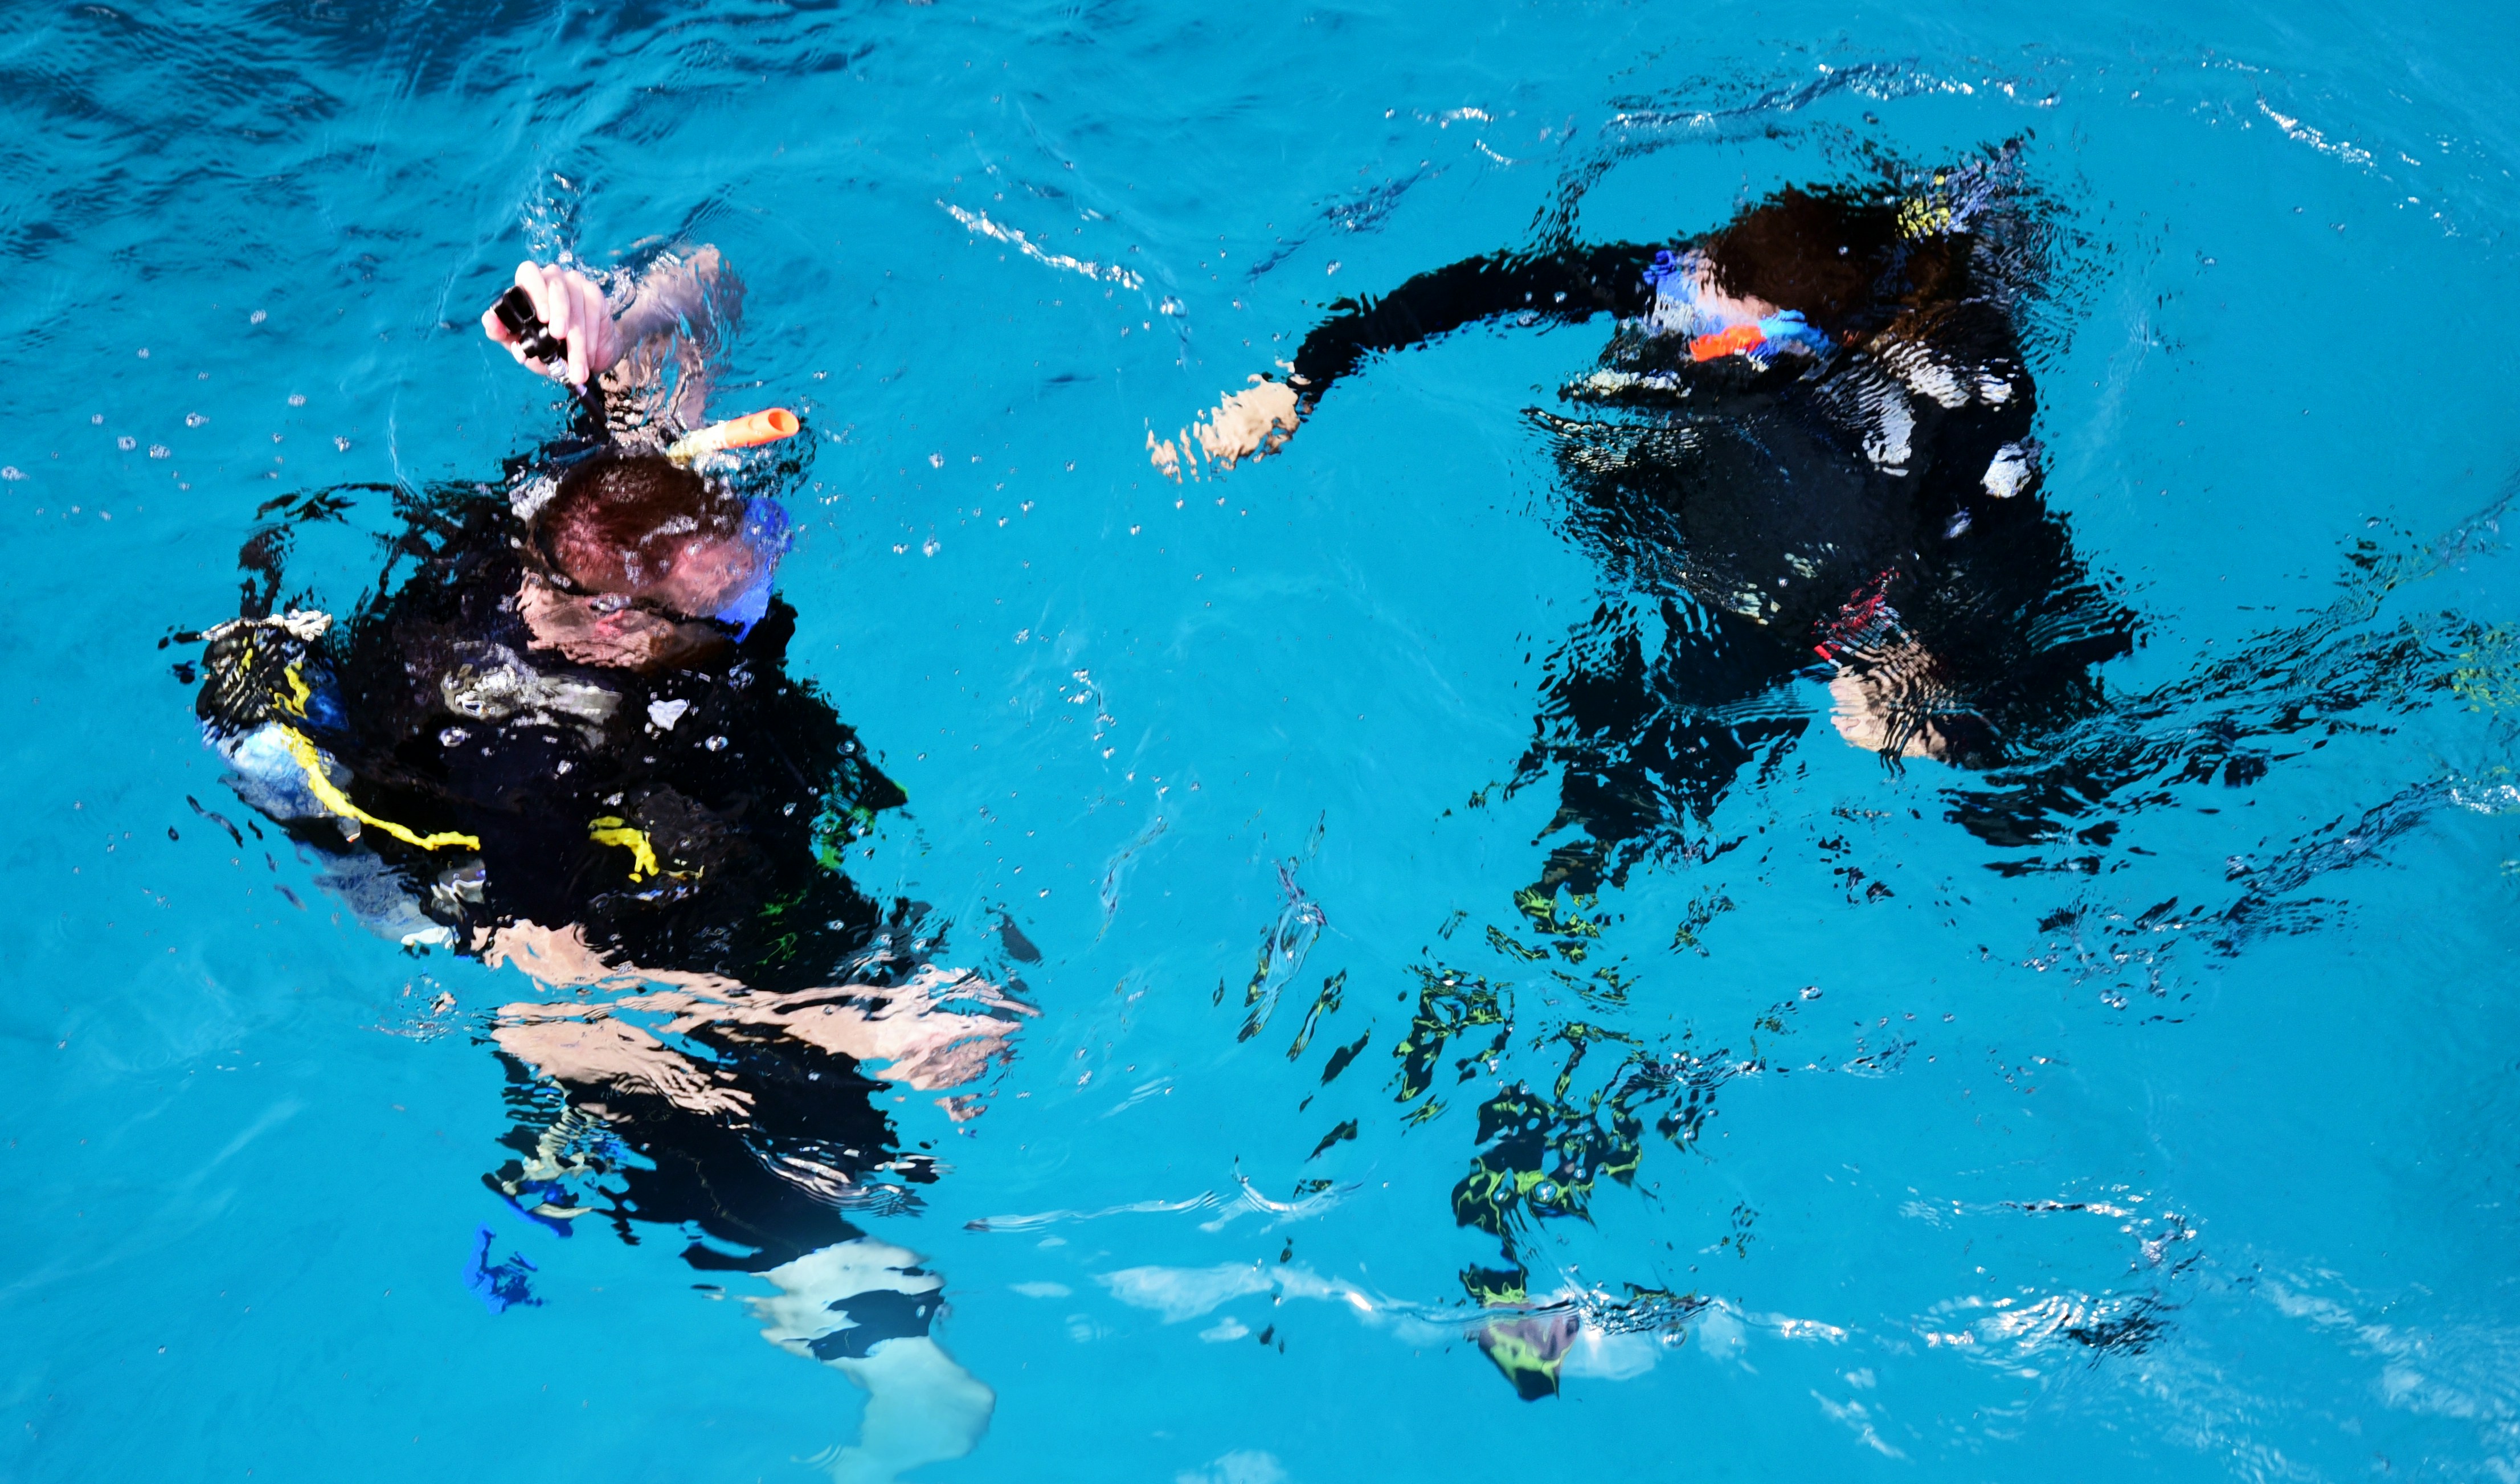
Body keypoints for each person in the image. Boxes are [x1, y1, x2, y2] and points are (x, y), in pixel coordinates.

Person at [1159, 142, 2134, 1393]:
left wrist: (1918, 676)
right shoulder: (1702, 282)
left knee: (2025, 800)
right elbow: (1478, 289)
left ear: (1805, 334)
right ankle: (1507, 1249)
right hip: (1699, 604)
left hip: (1813, 626)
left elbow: (2010, 559)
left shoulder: (1961, 397)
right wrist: (1304, 375)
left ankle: (1529, 1254)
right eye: (1696, 293)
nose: (1685, 311)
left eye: (1720, 314)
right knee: (1566, 888)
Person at [189, 245, 1014, 1480]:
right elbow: (546, 964)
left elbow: (716, 271)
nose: (766, 587)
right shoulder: (530, 771)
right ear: (623, 625)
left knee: (816, 1075)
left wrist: (615, 309)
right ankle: (895, 1357)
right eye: (733, 607)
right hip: (580, 905)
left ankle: (873, 1271)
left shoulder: (596, 518)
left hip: (727, 839)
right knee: (580, 1051)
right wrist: (852, 1023)